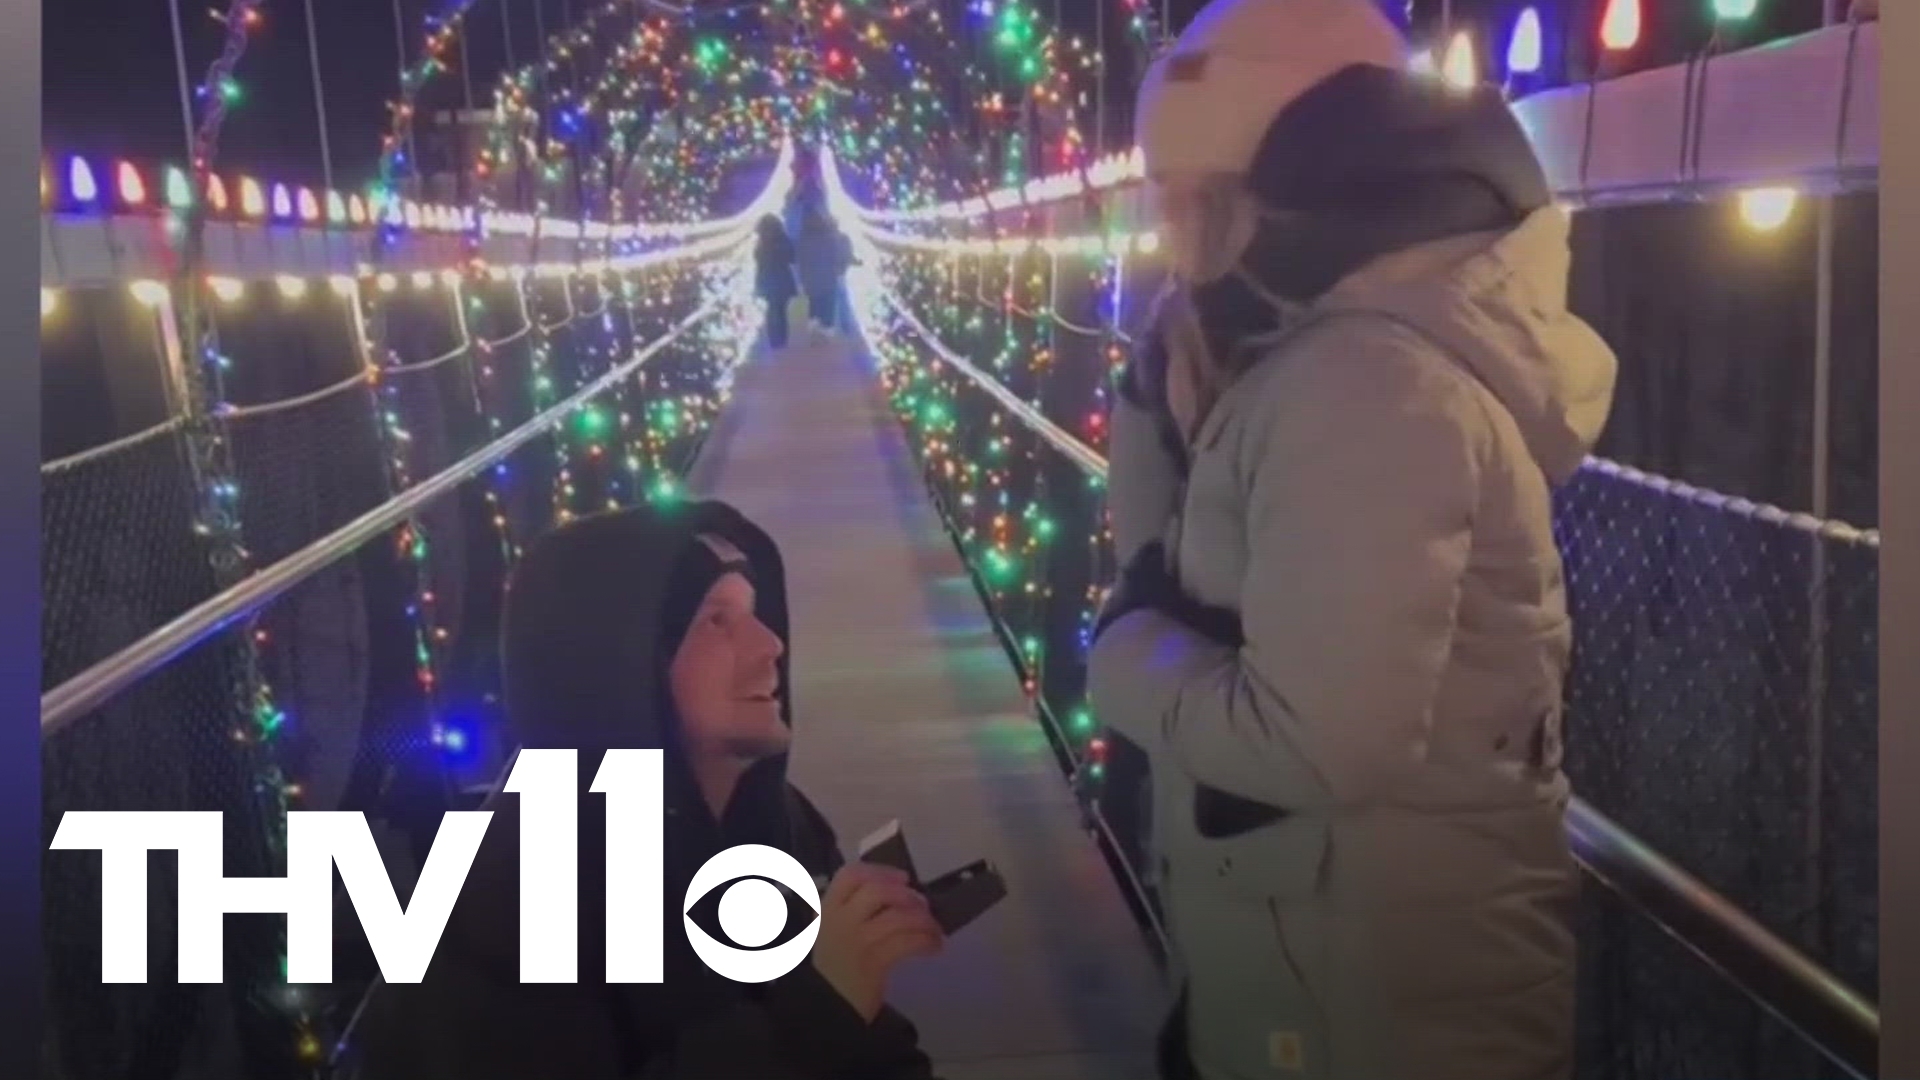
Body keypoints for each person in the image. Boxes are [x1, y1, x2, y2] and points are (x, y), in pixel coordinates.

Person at [1087, 1, 1620, 1078]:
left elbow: (1318, 740)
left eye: (1205, 201)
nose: (1174, 243)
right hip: (1313, 959)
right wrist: (1158, 407)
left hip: (1366, 1003)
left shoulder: (1367, 386)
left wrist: (1117, 661)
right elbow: (1190, 573)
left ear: (1304, 183)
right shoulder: (1297, 358)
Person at [346, 502, 946, 1079]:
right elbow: (823, 1024)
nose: (770, 646)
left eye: (757, 613)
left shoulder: (776, 823)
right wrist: (823, 1006)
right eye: (718, 620)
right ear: (621, 660)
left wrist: (846, 986)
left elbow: (864, 1044)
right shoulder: (517, 901)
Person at [793, 210, 851, 334]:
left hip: (810, 278)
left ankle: (813, 320)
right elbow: (835, 255)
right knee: (828, 300)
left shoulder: (802, 240)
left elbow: (800, 261)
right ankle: (827, 325)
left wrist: (801, 280)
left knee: (813, 298)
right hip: (828, 276)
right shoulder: (829, 238)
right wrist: (840, 268)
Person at [756, 214, 799, 350]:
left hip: (767, 280)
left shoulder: (761, 243)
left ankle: (775, 339)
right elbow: (792, 257)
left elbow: (759, 260)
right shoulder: (783, 240)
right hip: (781, 281)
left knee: (772, 309)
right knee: (780, 309)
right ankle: (781, 339)